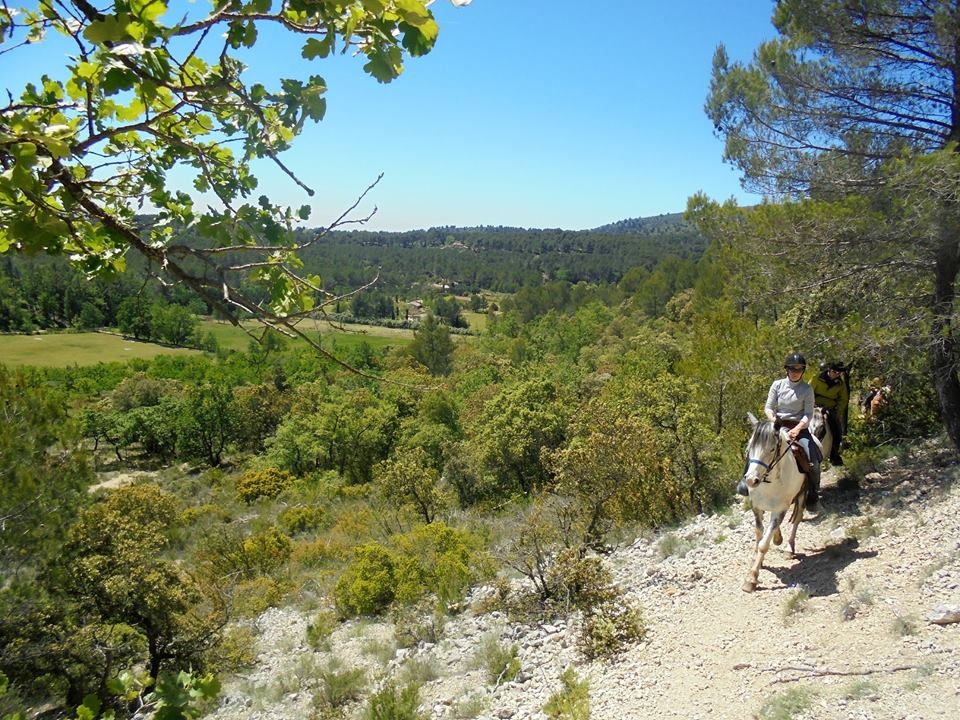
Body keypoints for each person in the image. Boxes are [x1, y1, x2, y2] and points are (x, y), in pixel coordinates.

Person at [763, 352, 822, 512]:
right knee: (757, 447)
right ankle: (746, 484)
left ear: (803, 370)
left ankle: (813, 494)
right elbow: (768, 407)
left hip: (799, 427)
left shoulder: (807, 389)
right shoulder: (777, 385)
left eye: (799, 369)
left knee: (813, 459)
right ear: (786, 369)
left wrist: (797, 429)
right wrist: (774, 420)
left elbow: (808, 414)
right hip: (778, 424)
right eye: (792, 368)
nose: (795, 372)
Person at [810, 360, 849, 466]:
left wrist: (838, 411)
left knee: (836, 429)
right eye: (835, 372)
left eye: (839, 373)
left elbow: (843, 399)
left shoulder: (840, 384)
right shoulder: (816, 378)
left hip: (830, 408)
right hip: (813, 406)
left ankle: (834, 454)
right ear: (830, 370)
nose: (837, 374)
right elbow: (809, 392)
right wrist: (812, 404)